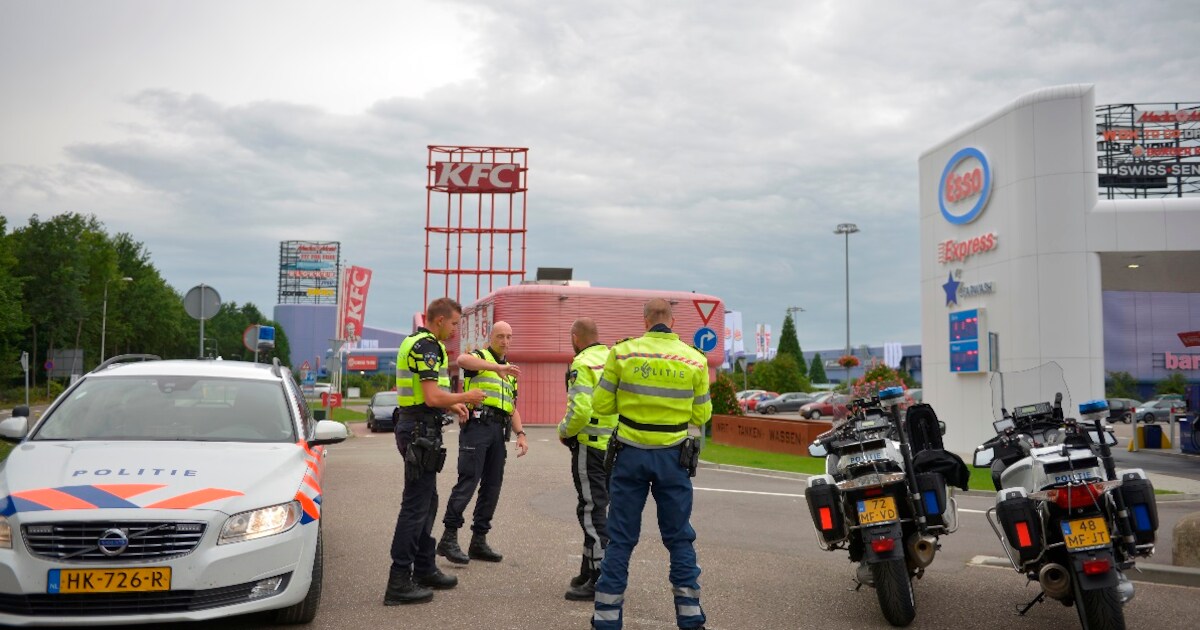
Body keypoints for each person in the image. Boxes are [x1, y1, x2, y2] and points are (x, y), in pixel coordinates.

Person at [590, 298, 712, 630]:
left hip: (629, 456)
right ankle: (689, 618)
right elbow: (702, 415)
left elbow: (600, 405)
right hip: (673, 458)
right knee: (678, 538)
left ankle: (606, 620)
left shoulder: (623, 353)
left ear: (644, 321)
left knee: (621, 538)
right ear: (672, 322)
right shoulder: (695, 360)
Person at [384, 298, 487, 606]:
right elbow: (430, 397)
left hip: (416, 427)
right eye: (454, 324)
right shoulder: (428, 346)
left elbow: (428, 394)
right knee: (416, 506)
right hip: (419, 432)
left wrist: (453, 403)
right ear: (439, 320)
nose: (455, 330)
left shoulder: (414, 342)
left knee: (428, 502)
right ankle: (399, 581)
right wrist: (467, 395)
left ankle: (425, 568)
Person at [436, 321, 530, 565]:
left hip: (499, 431)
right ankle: (448, 537)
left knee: (492, 487)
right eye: (500, 336)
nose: (505, 341)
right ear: (491, 337)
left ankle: (479, 540)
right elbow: (461, 361)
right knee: (468, 481)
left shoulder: (510, 371)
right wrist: (494, 366)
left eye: (509, 336)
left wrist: (521, 434)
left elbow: (511, 407)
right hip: (477, 428)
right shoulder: (480, 357)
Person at [556, 317, 618, 601]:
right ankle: (587, 569)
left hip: (589, 446)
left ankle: (600, 579)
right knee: (596, 508)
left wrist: (563, 430)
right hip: (613, 447)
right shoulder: (613, 358)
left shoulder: (581, 364)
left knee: (591, 511)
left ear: (575, 337)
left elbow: (579, 411)